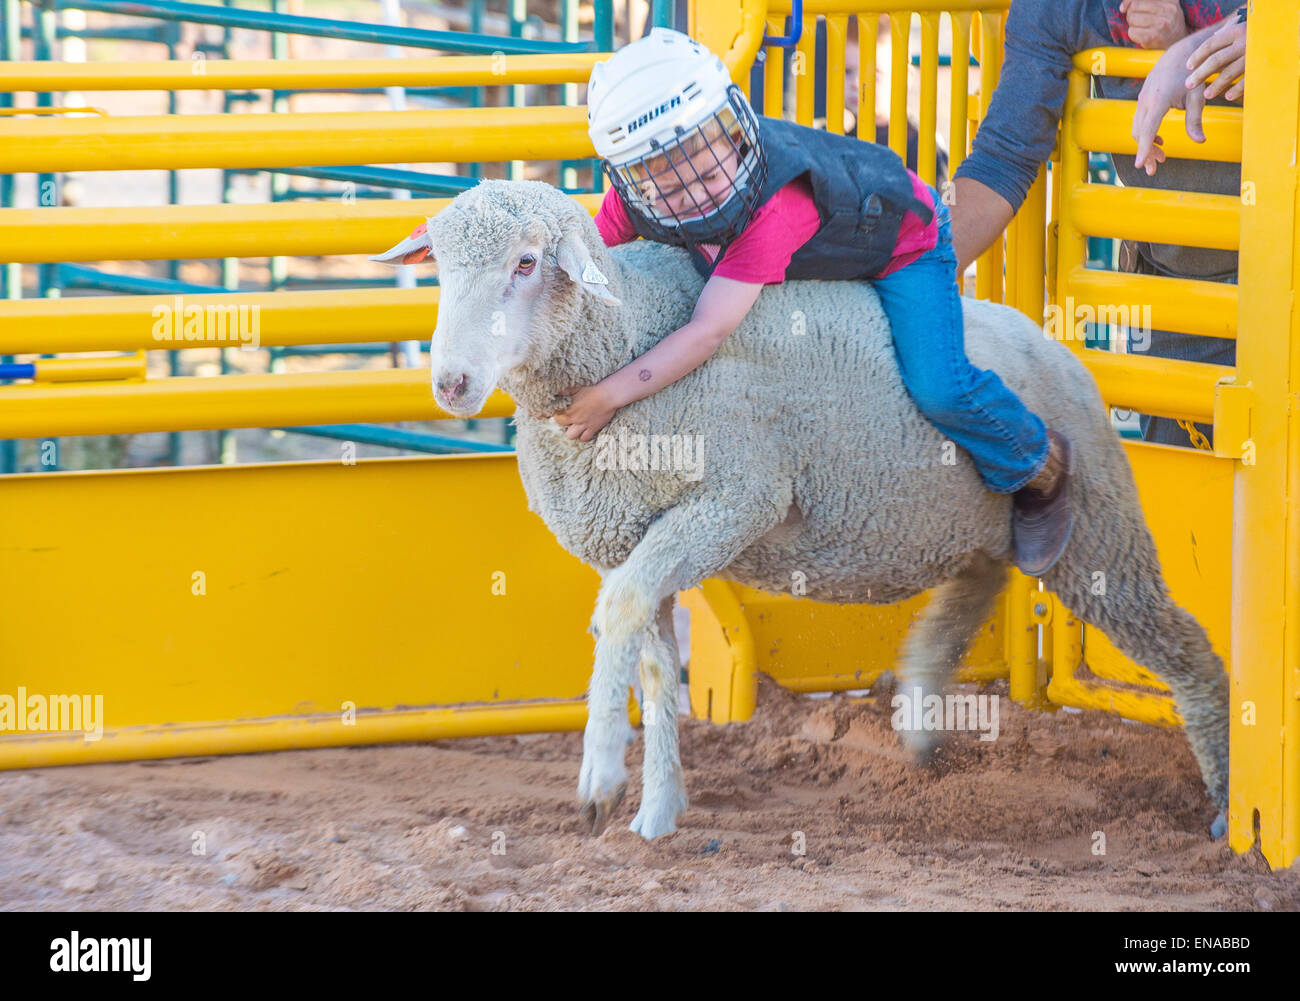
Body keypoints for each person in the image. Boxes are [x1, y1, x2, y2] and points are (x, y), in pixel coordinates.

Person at [549, 28, 1074, 575]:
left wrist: (608, 395)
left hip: (902, 244)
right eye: (675, 189)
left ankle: (1037, 464)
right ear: (635, 183)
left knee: (938, 385)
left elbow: (708, 330)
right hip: (816, 254)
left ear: (735, 136)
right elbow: (588, 255)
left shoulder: (771, 208)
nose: (700, 193)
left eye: (708, 172)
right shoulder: (642, 198)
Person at [948, 0, 1242, 448]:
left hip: (1281, 277)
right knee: (1188, 499)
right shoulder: (1052, 9)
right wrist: (915, 271)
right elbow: (1003, 157)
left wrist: (1193, 47)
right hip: (1180, 300)